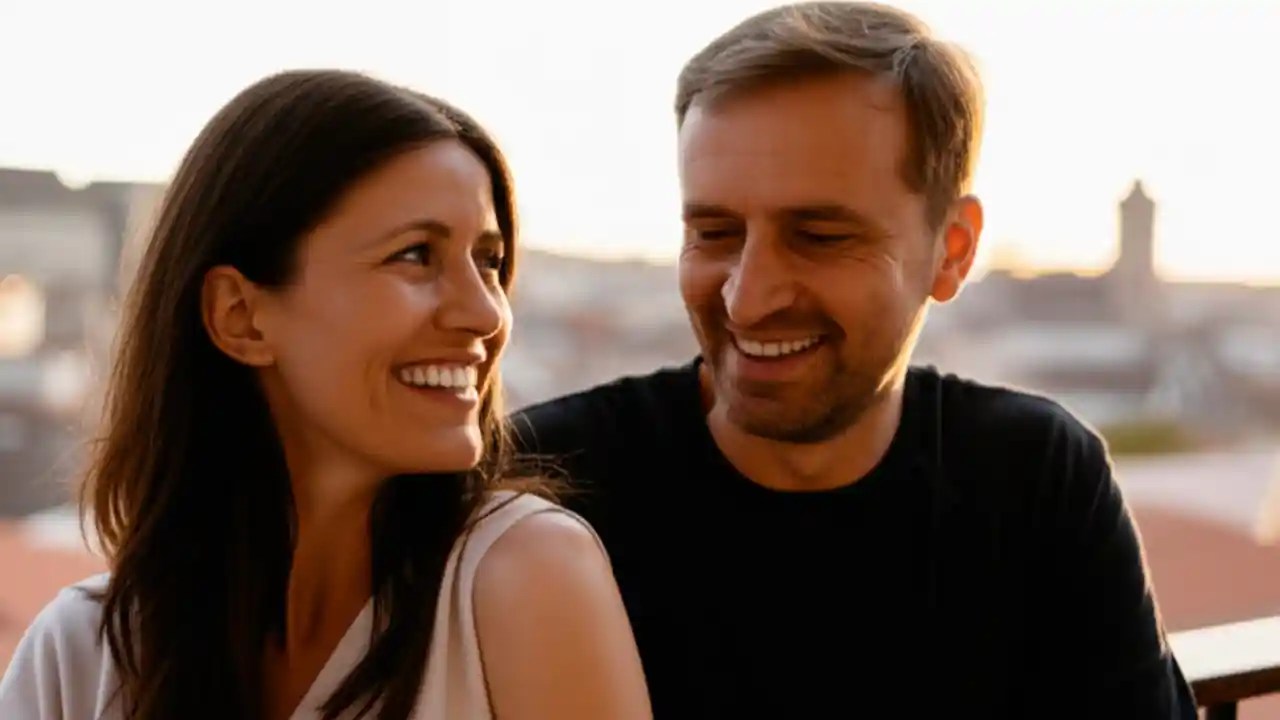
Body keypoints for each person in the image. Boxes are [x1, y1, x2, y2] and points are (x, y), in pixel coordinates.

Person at [511, 3, 1197, 718]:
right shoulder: (545, 482)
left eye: (819, 236)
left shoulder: (1038, 479)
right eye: (715, 232)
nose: (748, 299)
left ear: (952, 250)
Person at [0, 70, 651, 720]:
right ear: (240, 316)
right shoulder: (79, 656)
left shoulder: (525, 577)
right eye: (416, 255)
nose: (486, 314)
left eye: (487, 261)